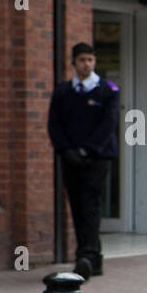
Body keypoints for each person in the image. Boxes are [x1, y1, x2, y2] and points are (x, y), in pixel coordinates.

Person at [47, 42, 120, 279]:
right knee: (77, 207)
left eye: (90, 59)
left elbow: (108, 125)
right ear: (73, 63)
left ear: (95, 62)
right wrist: (66, 150)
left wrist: (87, 150)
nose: (86, 64)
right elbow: (54, 124)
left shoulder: (108, 91)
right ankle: (93, 258)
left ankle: (85, 256)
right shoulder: (62, 92)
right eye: (82, 60)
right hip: (69, 159)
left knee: (90, 205)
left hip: (97, 159)